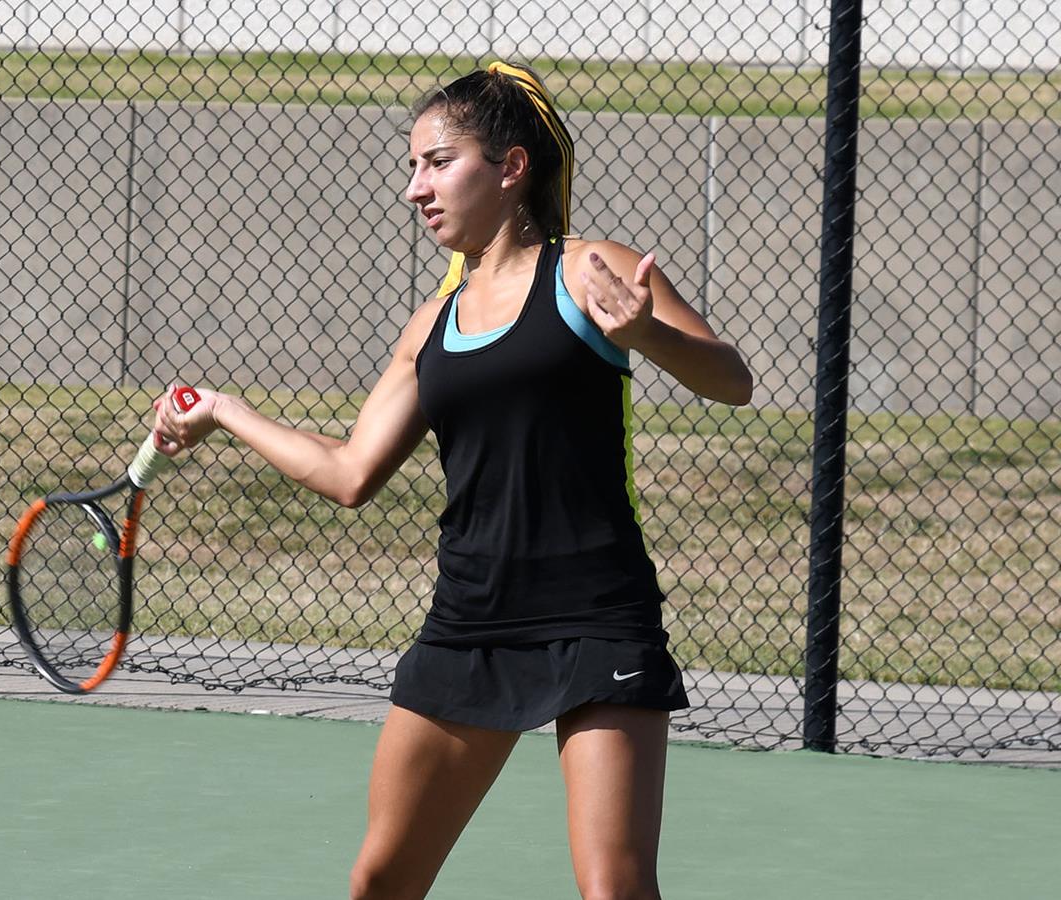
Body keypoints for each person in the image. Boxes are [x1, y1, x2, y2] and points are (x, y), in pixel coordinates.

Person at [151, 61, 754, 900]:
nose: (414, 189)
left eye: (437, 163)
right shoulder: (431, 324)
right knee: (380, 882)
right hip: (470, 621)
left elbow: (732, 379)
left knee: (615, 888)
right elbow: (350, 472)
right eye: (412, 166)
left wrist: (650, 337)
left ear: (510, 168)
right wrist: (224, 411)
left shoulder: (587, 269)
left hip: (597, 613)